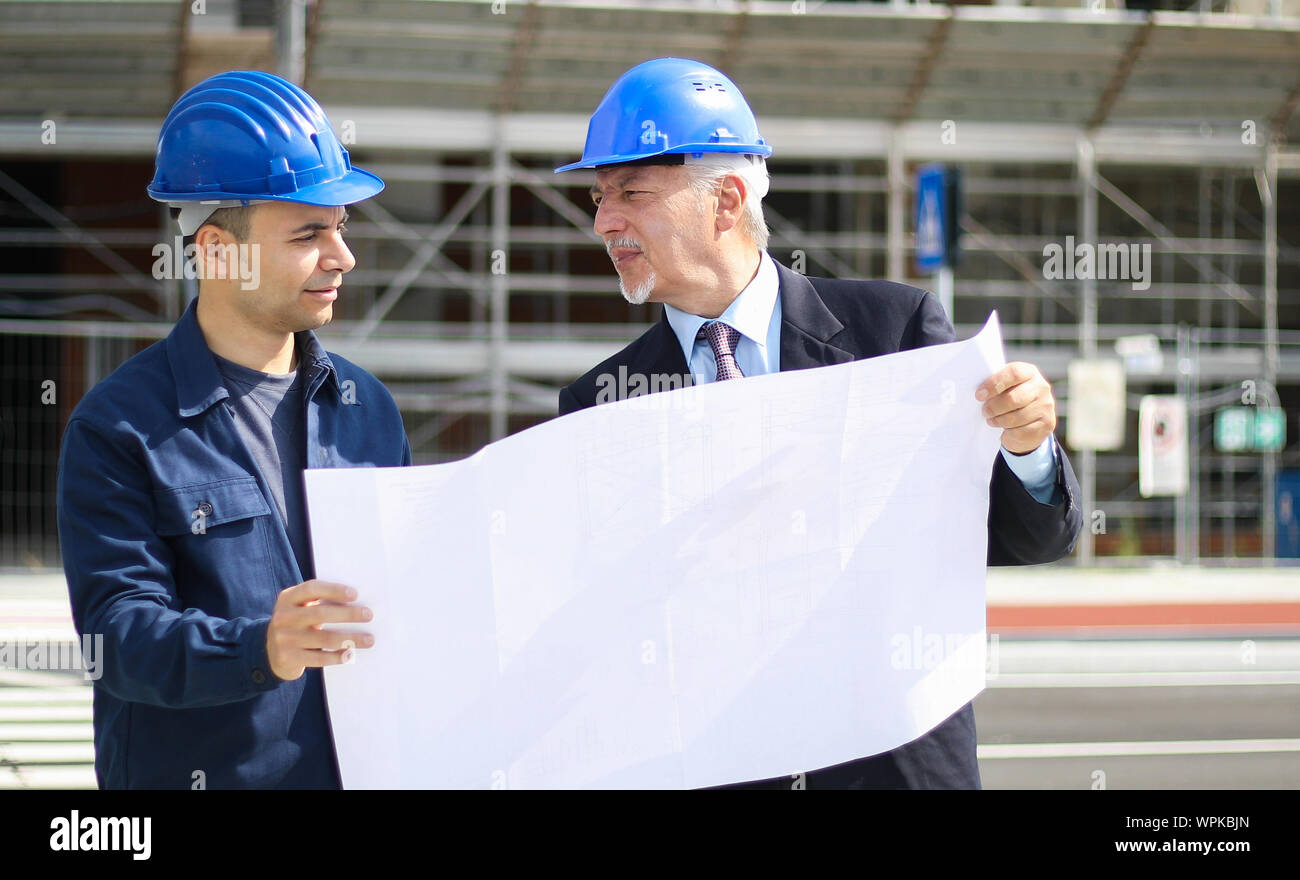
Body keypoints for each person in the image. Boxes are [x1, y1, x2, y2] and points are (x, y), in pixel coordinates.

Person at [555, 57, 1083, 789]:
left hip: (891, 772)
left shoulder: (893, 334)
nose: (604, 221)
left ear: (727, 200)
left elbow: (1028, 537)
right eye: (599, 197)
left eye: (631, 194)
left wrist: (1028, 447)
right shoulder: (600, 403)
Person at [56, 71, 408, 789]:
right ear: (218, 251)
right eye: (310, 233)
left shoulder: (365, 406)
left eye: (340, 228)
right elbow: (115, 639)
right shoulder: (120, 426)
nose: (342, 258)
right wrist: (259, 647)